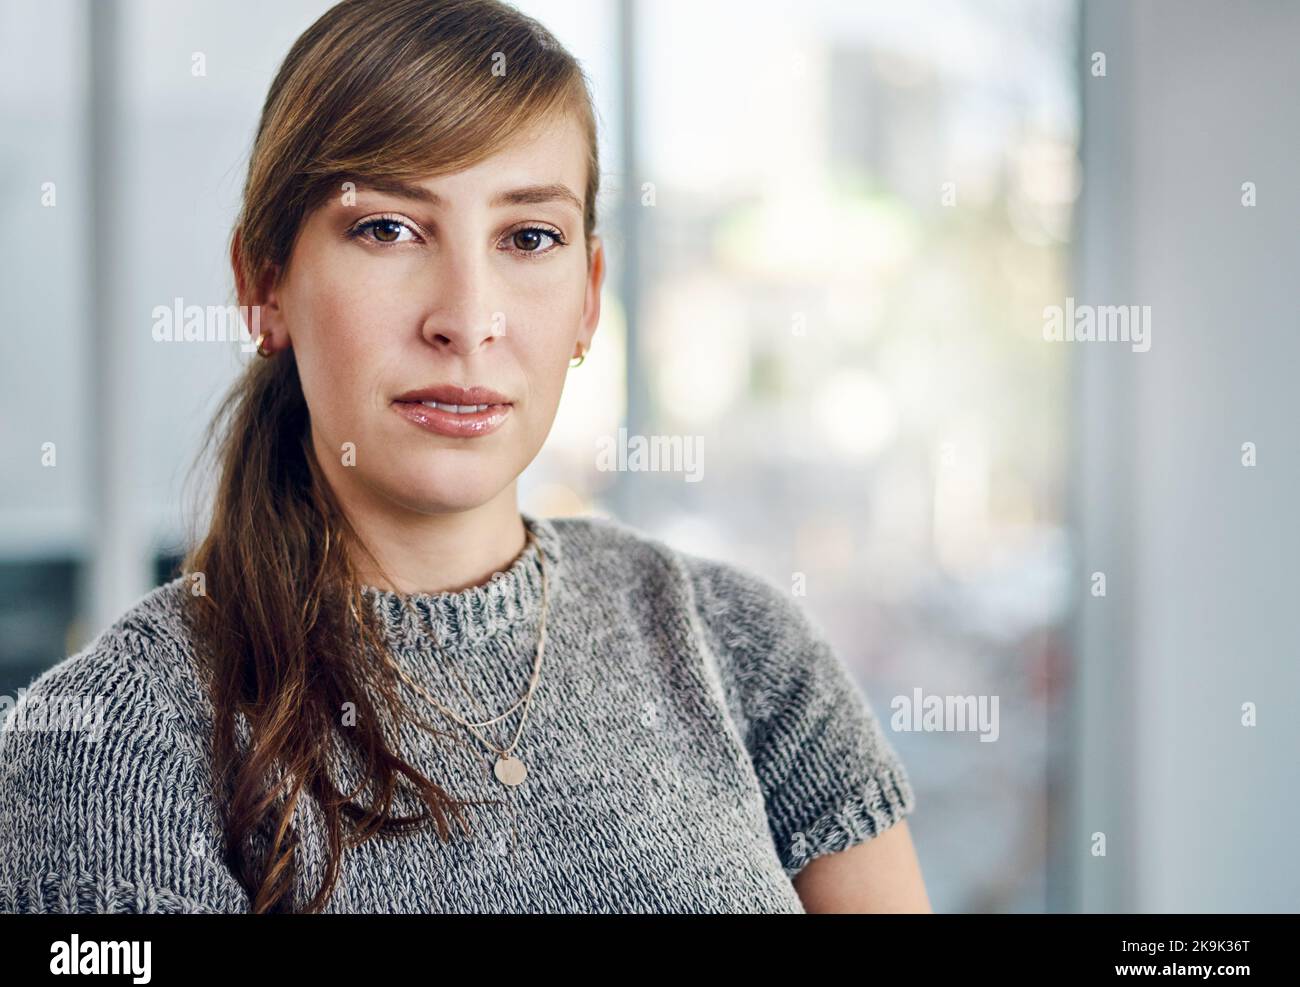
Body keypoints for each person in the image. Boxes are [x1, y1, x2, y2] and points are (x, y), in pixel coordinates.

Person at [0, 0, 930, 914]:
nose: (467, 320)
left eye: (529, 237)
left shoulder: (745, 648)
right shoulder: (98, 742)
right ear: (264, 284)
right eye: (389, 229)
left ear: (590, 297)